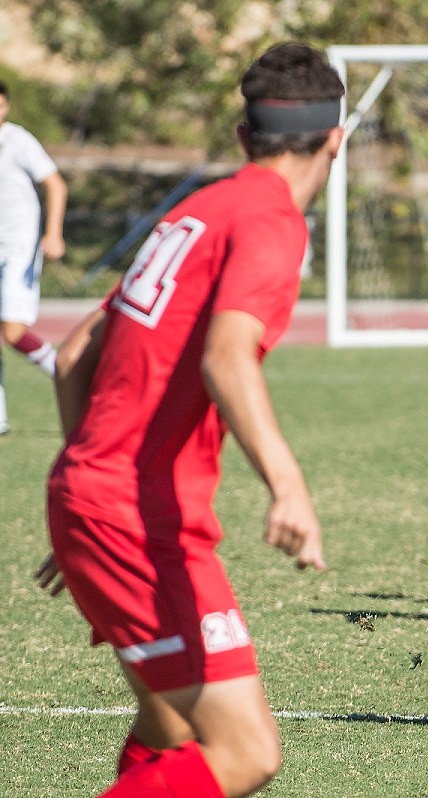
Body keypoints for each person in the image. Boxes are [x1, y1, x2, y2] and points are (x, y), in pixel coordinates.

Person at [39, 42, 341, 797]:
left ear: (245, 138)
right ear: (335, 140)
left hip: (99, 501)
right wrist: (288, 485)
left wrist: (84, 489)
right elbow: (227, 358)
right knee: (246, 754)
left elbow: (76, 353)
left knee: (168, 729)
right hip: (136, 518)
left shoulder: (198, 210)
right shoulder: (272, 221)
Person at [0, 80, 67, 435]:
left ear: (6, 106)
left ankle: (71, 375)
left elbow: (55, 184)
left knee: (12, 330)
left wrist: (53, 232)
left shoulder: (19, 141)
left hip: (19, 247)